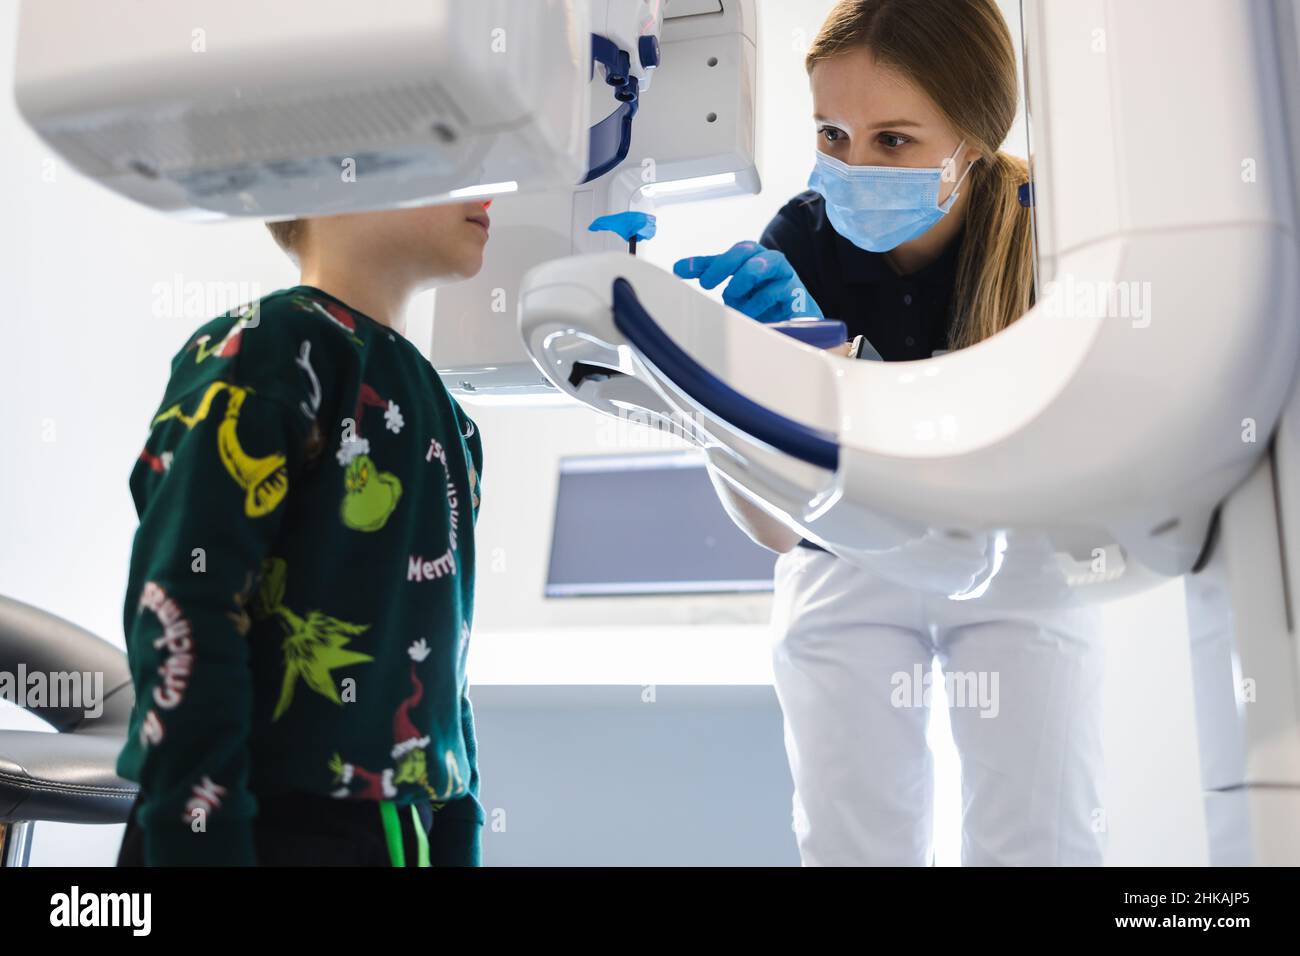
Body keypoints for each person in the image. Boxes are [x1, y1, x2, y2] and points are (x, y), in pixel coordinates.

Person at [677, 0, 1106, 866]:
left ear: (974, 141)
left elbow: (1049, 455)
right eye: (832, 133)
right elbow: (777, 529)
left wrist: (848, 367)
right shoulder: (798, 242)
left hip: (1015, 555)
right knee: (849, 846)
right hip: (848, 559)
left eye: (894, 141)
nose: (853, 164)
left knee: (1041, 842)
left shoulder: (1051, 231)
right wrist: (734, 382)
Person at [115, 198, 495, 866]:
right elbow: (186, 606)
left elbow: (439, 661)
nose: (491, 192)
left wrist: (457, 826)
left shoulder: (454, 424)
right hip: (264, 826)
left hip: (400, 830)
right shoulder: (268, 349)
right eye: (452, 147)